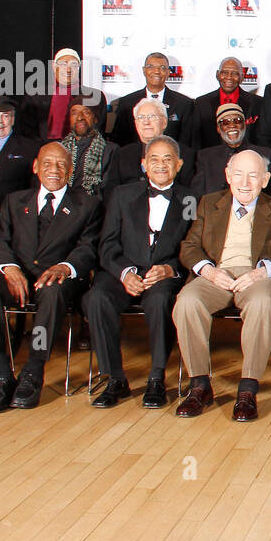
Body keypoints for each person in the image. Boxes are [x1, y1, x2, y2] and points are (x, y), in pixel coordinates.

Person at [0, 142, 102, 412]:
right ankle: (1, 375)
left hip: (61, 281)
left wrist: (65, 267)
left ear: (71, 170)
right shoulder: (14, 201)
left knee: (52, 292)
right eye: (47, 163)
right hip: (17, 275)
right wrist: (9, 268)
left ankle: (32, 371)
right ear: (35, 167)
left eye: (61, 164)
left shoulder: (88, 204)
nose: (54, 170)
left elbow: (89, 248)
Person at [172, 149, 271, 422]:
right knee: (187, 301)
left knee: (262, 303)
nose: (245, 182)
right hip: (216, 274)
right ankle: (200, 385)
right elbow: (189, 247)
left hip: (258, 276)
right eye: (238, 174)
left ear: (264, 180)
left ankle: (248, 389)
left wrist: (261, 272)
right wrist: (208, 270)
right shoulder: (208, 204)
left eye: (253, 176)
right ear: (227, 176)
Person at [83, 136, 195, 409]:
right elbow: (107, 244)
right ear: (143, 164)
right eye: (154, 159)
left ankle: (156, 378)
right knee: (96, 298)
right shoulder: (121, 195)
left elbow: (195, 246)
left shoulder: (192, 199)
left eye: (168, 159)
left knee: (159, 301)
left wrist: (171, 269)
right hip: (123, 271)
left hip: (163, 274)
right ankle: (114, 378)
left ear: (178, 165)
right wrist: (125, 273)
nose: (161, 165)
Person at [105, 98, 196, 192]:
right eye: (141, 117)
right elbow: (110, 191)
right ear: (136, 123)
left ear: (164, 122)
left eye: (152, 116)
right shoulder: (122, 154)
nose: (146, 122)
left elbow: (188, 193)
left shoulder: (186, 154)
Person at [17, 47, 107, 142]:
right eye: (63, 64)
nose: (68, 69)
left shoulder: (95, 96)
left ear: (79, 68)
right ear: (54, 66)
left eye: (73, 64)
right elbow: (27, 131)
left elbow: (98, 129)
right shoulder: (35, 96)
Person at [107, 52, 193, 147]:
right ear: (144, 70)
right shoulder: (126, 103)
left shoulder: (184, 104)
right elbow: (119, 140)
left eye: (162, 67)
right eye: (151, 66)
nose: (156, 71)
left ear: (168, 72)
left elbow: (187, 142)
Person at [192, 103, 271, 198]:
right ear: (218, 129)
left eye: (237, 120)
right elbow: (197, 195)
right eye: (225, 122)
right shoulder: (205, 157)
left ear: (244, 125)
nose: (232, 125)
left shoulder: (265, 154)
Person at [185, 57, 258, 151]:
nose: (229, 77)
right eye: (224, 72)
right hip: (210, 161)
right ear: (217, 75)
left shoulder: (257, 103)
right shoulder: (201, 103)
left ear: (242, 77)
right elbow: (195, 140)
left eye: (235, 73)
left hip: (247, 159)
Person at [60, 103, 113, 197]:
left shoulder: (110, 150)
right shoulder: (58, 148)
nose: (80, 118)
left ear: (95, 118)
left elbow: (108, 190)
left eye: (86, 112)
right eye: (74, 113)